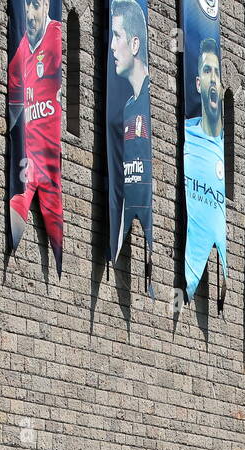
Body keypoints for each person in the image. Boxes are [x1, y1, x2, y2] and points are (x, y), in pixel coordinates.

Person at [7, 0, 65, 270]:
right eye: (26, 6)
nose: (30, 16)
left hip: (51, 172)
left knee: (58, 251)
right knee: (15, 221)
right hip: (25, 169)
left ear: (47, 6)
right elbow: (13, 111)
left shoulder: (55, 34)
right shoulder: (20, 51)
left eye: (36, 6)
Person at [182, 36, 228, 299]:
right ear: (199, 83)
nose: (212, 79)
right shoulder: (188, 134)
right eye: (207, 71)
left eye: (216, 73)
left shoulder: (224, 145)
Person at [111, 0, 152, 262]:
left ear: (135, 44)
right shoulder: (127, 107)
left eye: (117, 36)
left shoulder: (151, 98)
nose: (112, 46)